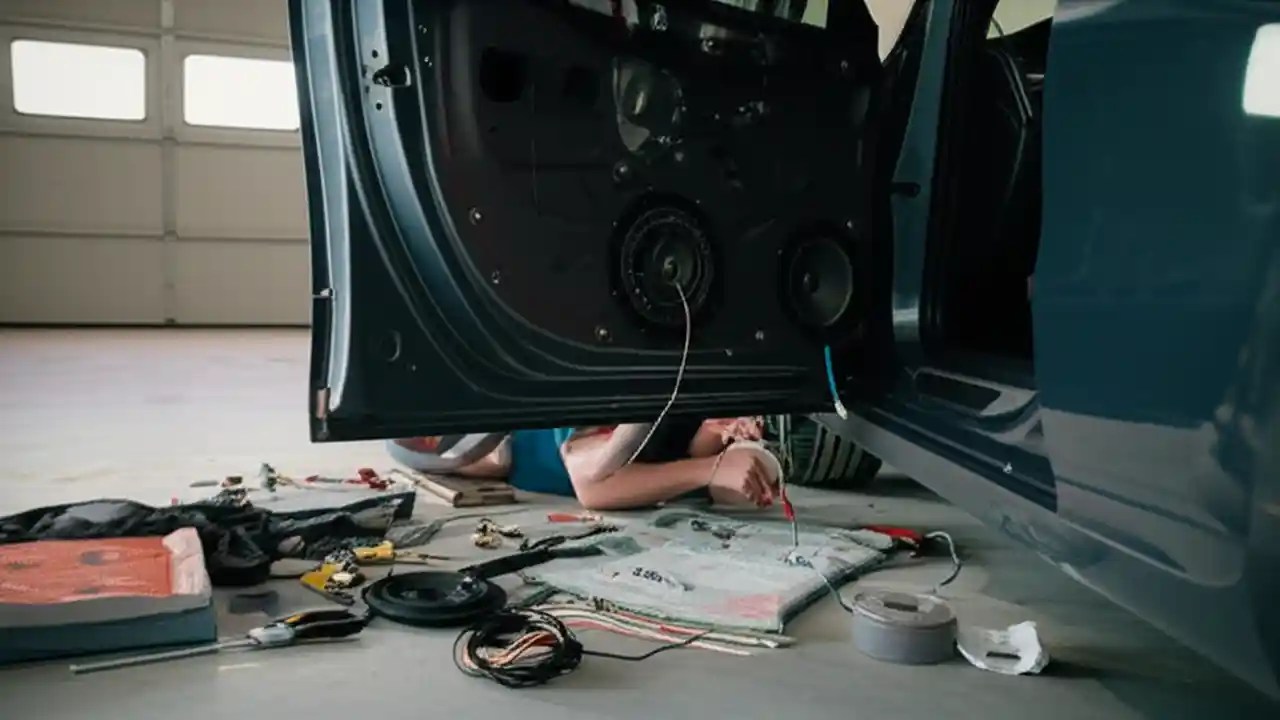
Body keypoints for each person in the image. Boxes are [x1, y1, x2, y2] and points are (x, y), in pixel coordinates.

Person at [389, 417, 778, 511]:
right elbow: (594, 485)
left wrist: (716, 435)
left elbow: (690, 454)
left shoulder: (532, 436)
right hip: (599, 441)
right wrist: (710, 466)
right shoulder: (527, 458)